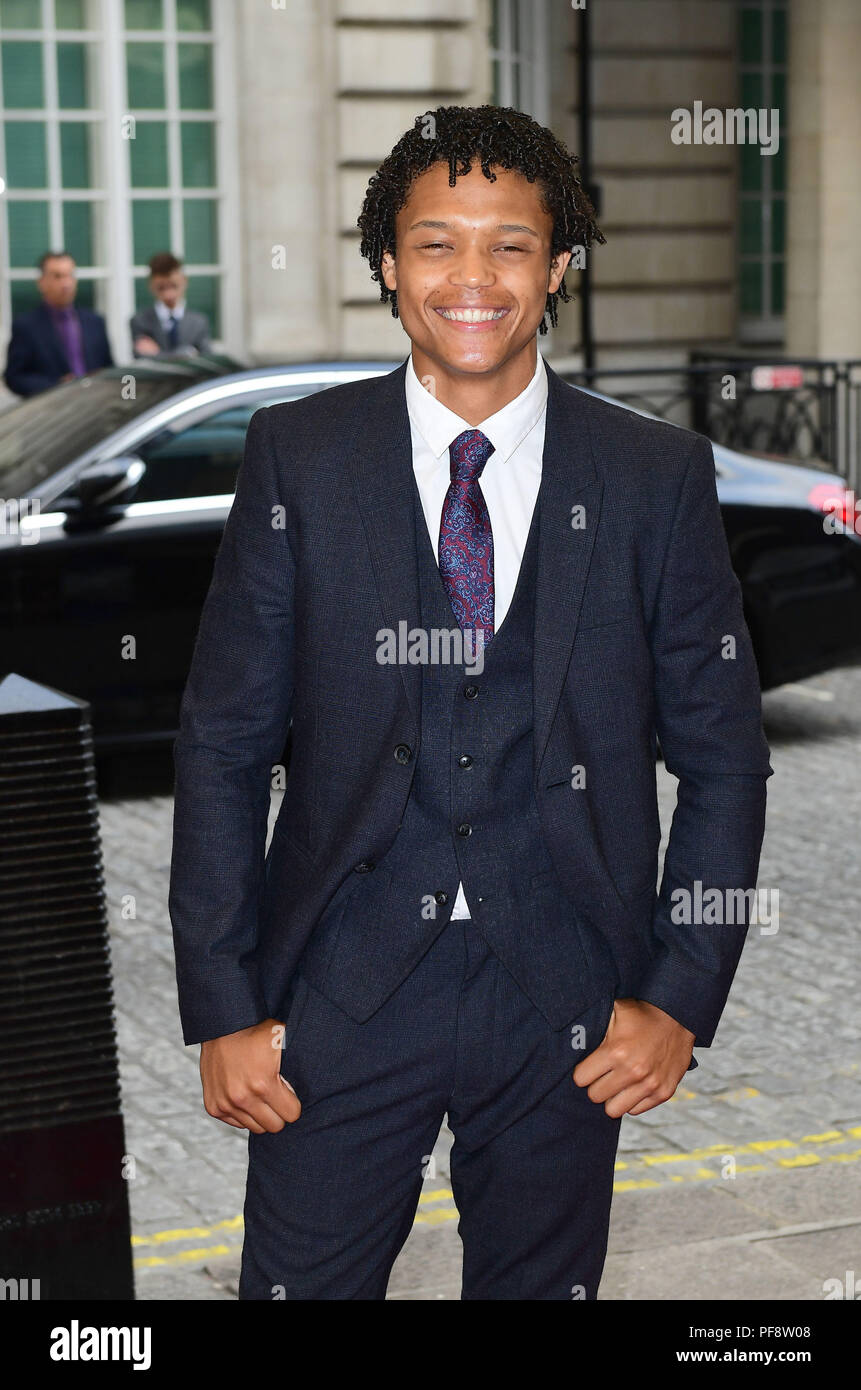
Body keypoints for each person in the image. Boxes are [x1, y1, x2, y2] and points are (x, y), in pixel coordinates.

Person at [168, 105, 773, 1301]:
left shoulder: (654, 476)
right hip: (338, 999)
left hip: (567, 1003)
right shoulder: (299, 457)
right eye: (436, 242)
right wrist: (222, 1005)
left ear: (557, 269)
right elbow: (224, 746)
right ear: (388, 267)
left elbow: (726, 760)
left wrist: (678, 995)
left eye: (510, 244)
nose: (473, 276)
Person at [3, 251, 113, 398]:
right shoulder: (26, 326)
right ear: (41, 283)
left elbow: (110, 367)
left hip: (93, 405)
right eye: (57, 276)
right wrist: (55, 386)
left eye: (70, 275)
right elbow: (14, 377)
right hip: (52, 410)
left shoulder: (94, 321)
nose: (66, 283)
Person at [130, 252, 211, 358]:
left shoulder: (199, 322)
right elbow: (143, 359)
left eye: (172, 285)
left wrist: (157, 354)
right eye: (161, 286)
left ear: (184, 281)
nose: (166, 284)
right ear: (151, 284)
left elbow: (206, 359)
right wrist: (187, 353)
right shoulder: (140, 321)